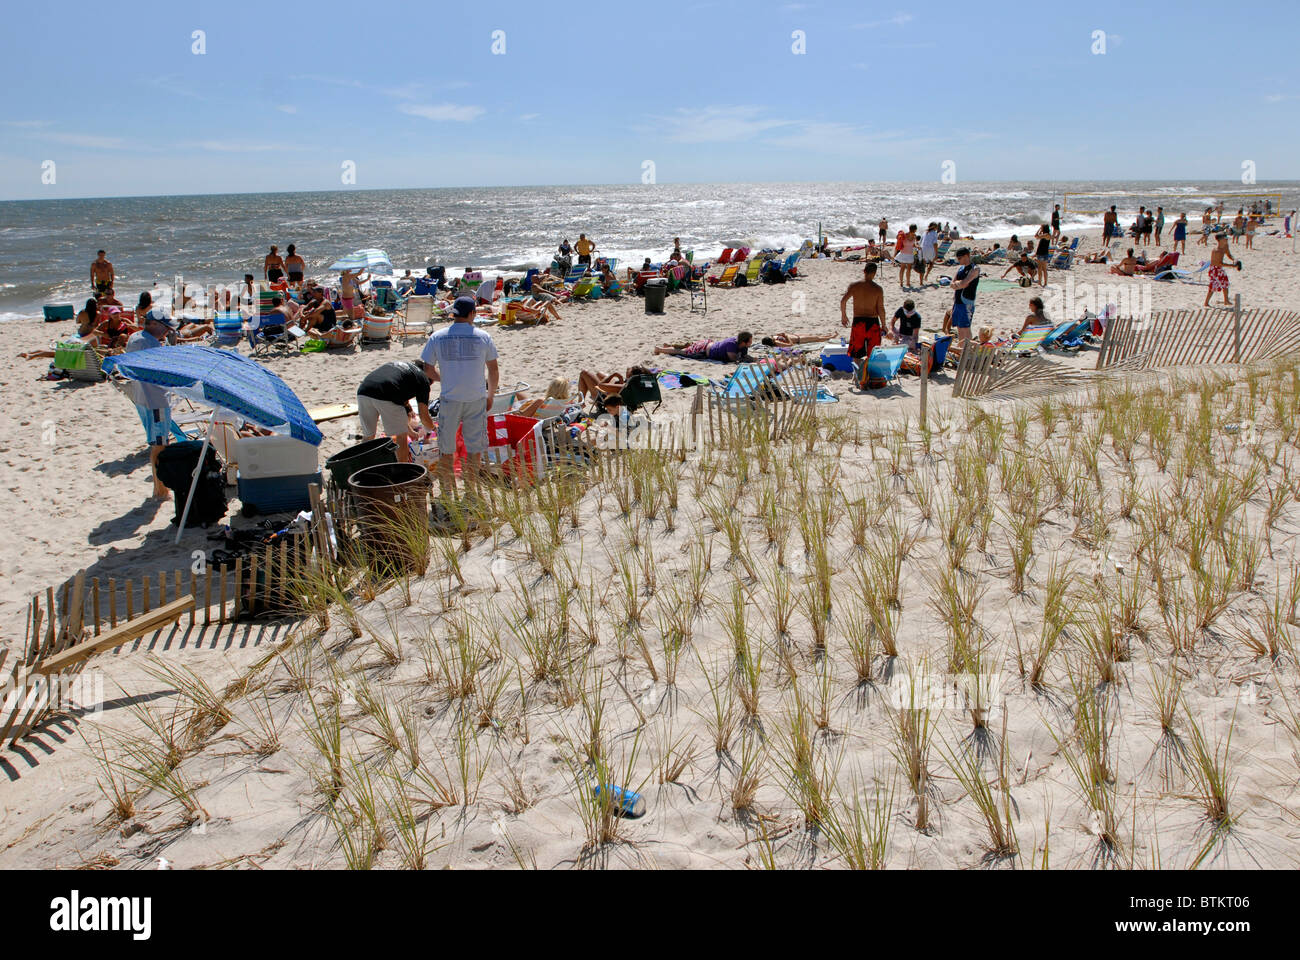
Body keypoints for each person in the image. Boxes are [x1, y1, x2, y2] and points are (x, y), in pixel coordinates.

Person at [420, 296, 500, 497]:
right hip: (476, 398)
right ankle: (471, 491)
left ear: (454, 314)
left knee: (446, 449)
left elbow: (427, 368)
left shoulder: (437, 336)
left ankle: (447, 491)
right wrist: (490, 394)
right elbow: (493, 370)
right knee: (474, 449)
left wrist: (444, 379)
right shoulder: (483, 336)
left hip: (450, 399)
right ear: (472, 314)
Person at [125, 310, 181, 499]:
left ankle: (160, 488)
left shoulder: (135, 337)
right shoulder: (148, 343)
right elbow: (165, 370)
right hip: (154, 399)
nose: (167, 332)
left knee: (157, 442)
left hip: (141, 397)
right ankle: (160, 490)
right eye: (166, 328)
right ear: (154, 324)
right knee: (160, 444)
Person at [357, 360, 436, 465]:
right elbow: (424, 416)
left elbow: (401, 407)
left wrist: (411, 432)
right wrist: (434, 429)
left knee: (368, 437)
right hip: (386, 393)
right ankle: (402, 469)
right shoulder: (423, 380)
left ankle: (361, 466)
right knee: (401, 436)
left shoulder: (403, 369)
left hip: (363, 391)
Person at [839, 262, 885, 362]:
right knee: (873, 352)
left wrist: (844, 316)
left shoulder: (854, 286)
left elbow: (843, 301)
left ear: (864, 271)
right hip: (872, 322)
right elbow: (880, 308)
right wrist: (884, 325)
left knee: (857, 352)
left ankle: (858, 374)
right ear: (875, 273)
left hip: (858, 321)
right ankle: (869, 374)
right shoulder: (878, 289)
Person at [653, 332, 753, 363]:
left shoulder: (742, 345)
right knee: (683, 352)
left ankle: (670, 345)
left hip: (709, 344)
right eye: (750, 340)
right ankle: (660, 349)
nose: (751, 342)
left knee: (688, 347)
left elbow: (743, 356)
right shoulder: (732, 344)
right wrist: (746, 359)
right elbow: (733, 359)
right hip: (703, 349)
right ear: (744, 342)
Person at [949, 248, 980, 344]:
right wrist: (958, 284)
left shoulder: (974, 268)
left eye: (960, 258)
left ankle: (966, 349)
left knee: (965, 327)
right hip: (957, 300)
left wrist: (958, 284)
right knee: (959, 327)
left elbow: (965, 283)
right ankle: (961, 349)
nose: (959, 260)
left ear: (966, 256)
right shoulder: (961, 269)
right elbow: (952, 284)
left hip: (966, 301)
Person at [1204, 234, 1238, 308]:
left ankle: (1226, 300)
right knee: (1213, 286)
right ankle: (1206, 302)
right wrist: (1232, 266)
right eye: (1225, 239)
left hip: (1219, 268)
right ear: (1220, 240)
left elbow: (1229, 255)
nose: (1226, 240)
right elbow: (1219, 263)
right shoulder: (1216, 251)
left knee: (1225, 283)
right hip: (1215, 269)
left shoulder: (1225, 246)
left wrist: (1234, 260)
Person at [896, 224, 917, 289]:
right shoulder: (904, 235)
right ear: (915, 229)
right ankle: (903, 282)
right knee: (906, 269)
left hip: (908, 254)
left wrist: (916, 251)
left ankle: (905, 282)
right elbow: (898, 238)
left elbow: (913, 245)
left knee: (905, 268)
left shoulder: (913, 236)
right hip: (905, 253)